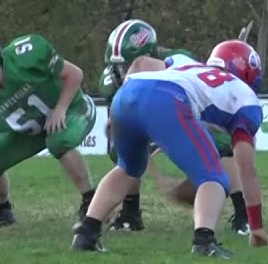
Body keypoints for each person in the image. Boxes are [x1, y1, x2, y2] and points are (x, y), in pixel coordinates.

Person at [71, 40, 268, 256]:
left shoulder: (185, 63)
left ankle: (86, 234)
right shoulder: (247, 100)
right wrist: (256, 226)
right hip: (168, 99)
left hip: (127, 94)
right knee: (213, 176)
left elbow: (141, 62)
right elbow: (246, 169)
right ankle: (204, 240)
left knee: (127, 169)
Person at [99, 19, 250, 234]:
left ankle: (243, 214)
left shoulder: (178, 59)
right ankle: (130, 213)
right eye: (119, 67)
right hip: (146, 112)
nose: (123, 71)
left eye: (127, 65)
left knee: (223, 146)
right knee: (125, 155)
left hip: (187, 111)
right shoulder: (112, 81)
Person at [0, 28, 96, 226]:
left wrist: (60, 108)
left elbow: (75, 74)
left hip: (73, 108)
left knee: (58, 140)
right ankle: (1, 211)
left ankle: (92, 202)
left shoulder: (26, 55)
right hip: (33, 129)